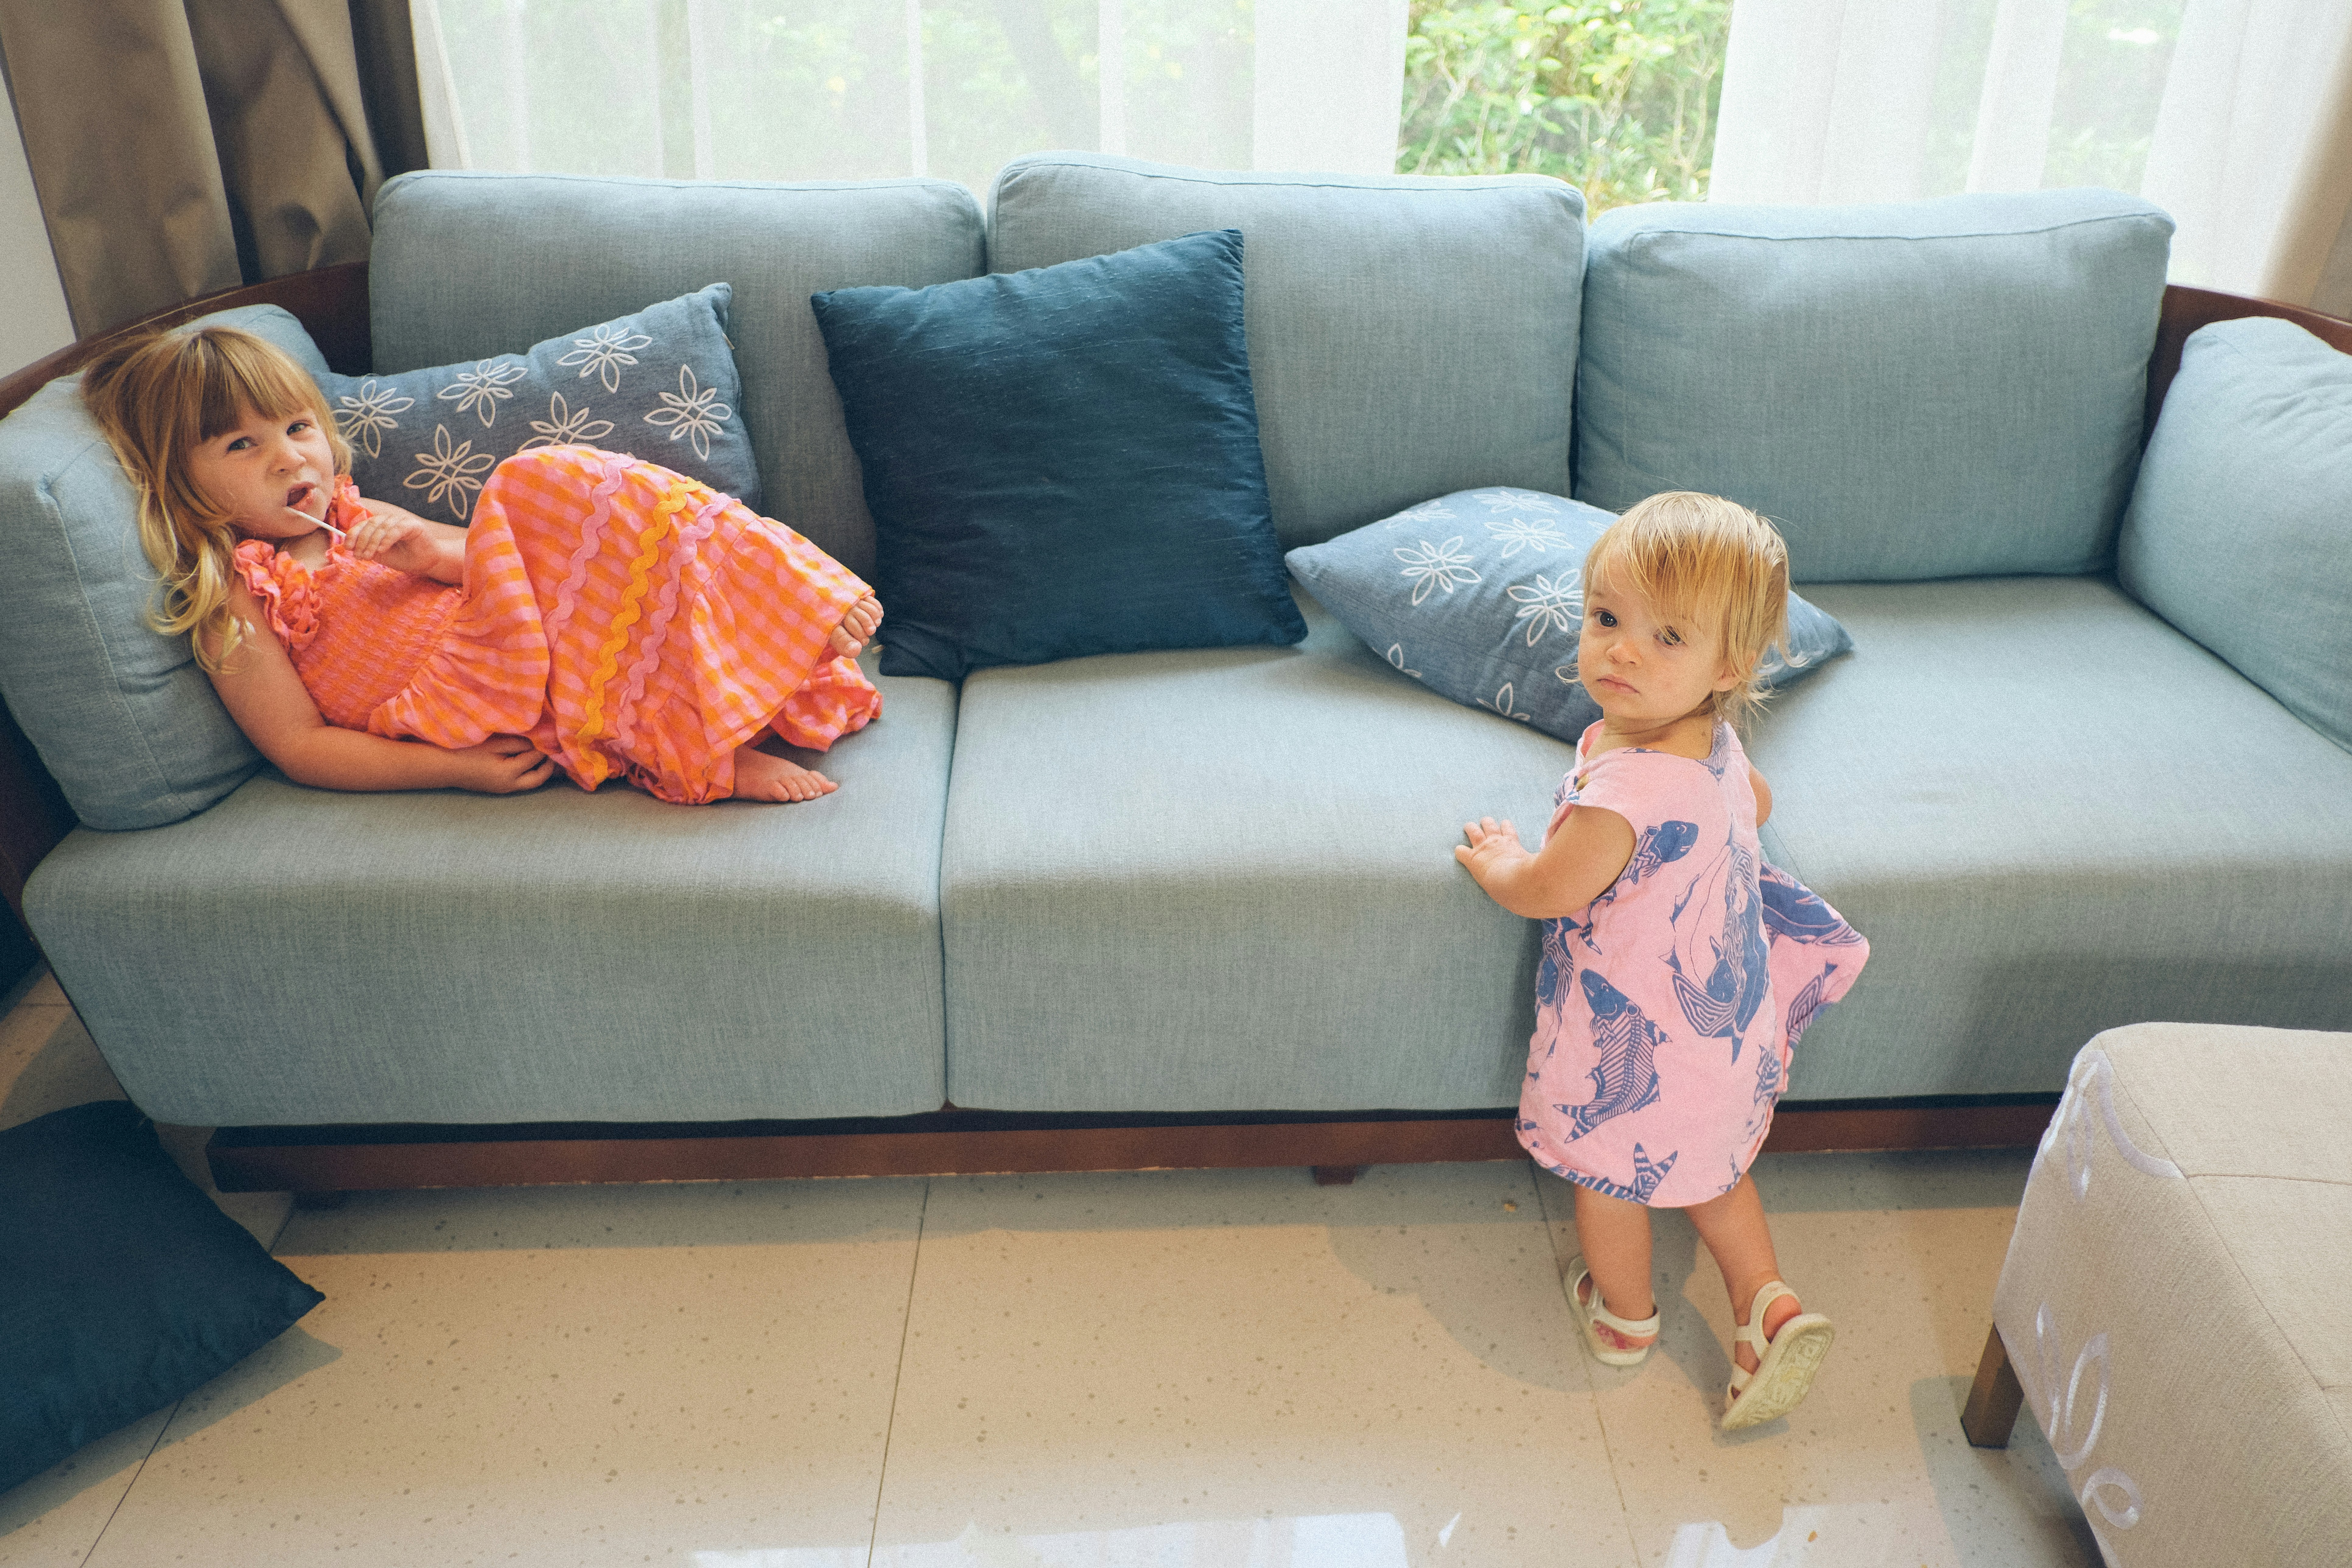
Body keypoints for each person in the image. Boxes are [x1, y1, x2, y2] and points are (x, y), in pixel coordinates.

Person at [1454, 491, 1869, 1430]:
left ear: (1730, 663)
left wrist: (1499, 864)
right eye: (1606, 619)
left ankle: (1625, 1320)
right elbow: (1753, 807)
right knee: (1716, 1176)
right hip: (1723, 1047)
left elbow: (1552, 888)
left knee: (1610, 1179)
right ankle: (1767, 1302)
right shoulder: (1715, 745)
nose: (1622, 651)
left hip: (1638, 1035)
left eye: (1665, 637)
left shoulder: (1626, 792)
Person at [82, 325, 883, 805]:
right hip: (469, 702)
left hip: (521, 637)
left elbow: (497, 566)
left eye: (296, 426)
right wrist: (448, 771)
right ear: (184, 483)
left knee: (549, 494)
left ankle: (788, 588)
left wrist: (429, 553)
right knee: (536, 503)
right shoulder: (232, 599)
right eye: (240, 445)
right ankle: (711, 752)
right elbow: (299, 746)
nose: (287, 456)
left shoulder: (362, 516)